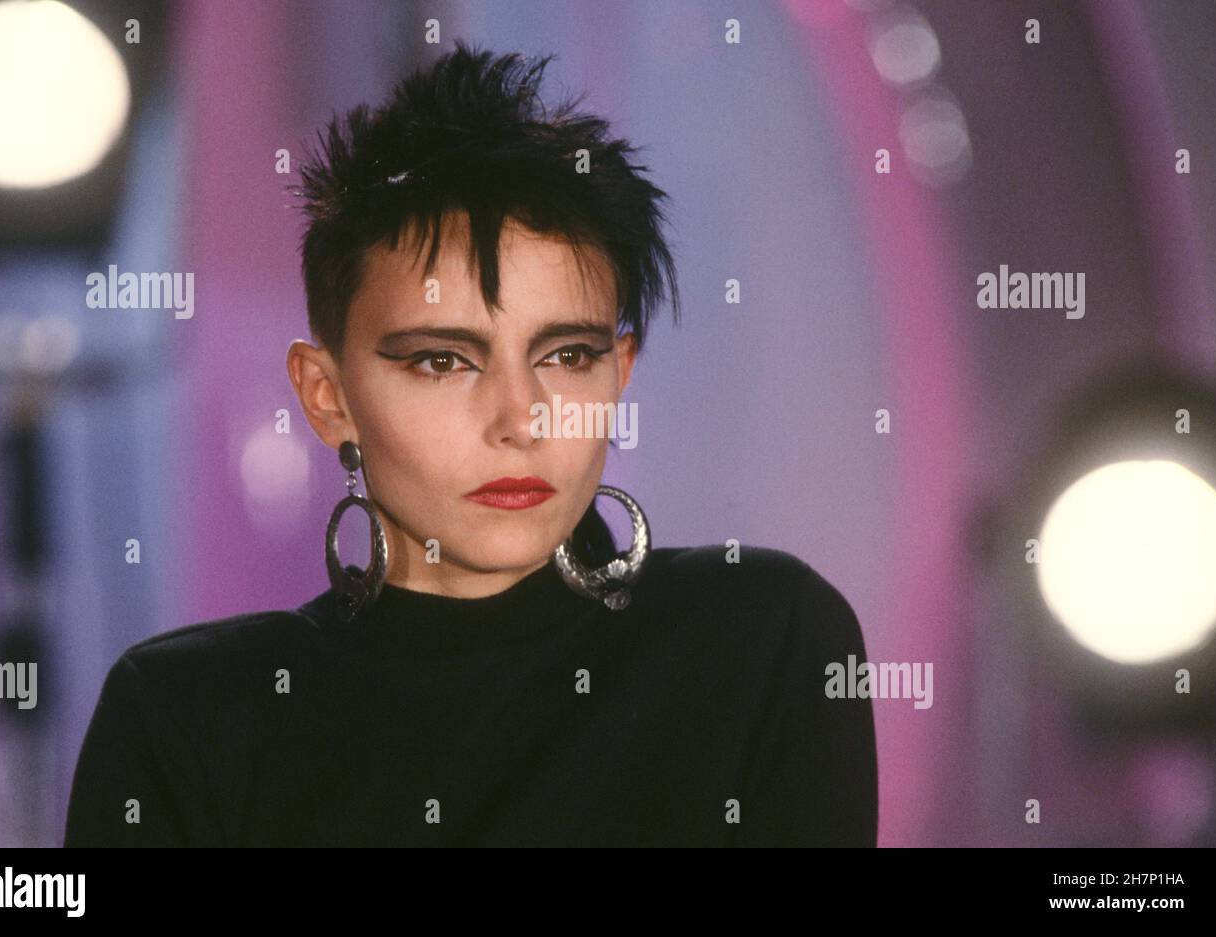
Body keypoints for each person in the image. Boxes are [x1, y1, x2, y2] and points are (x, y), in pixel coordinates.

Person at [63, 40, 877, 847]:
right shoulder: (191, 712)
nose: (521, 418)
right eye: (444, 361)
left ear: (619, 372)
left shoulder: (758, 640)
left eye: (567, 355)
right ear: (328, 396)